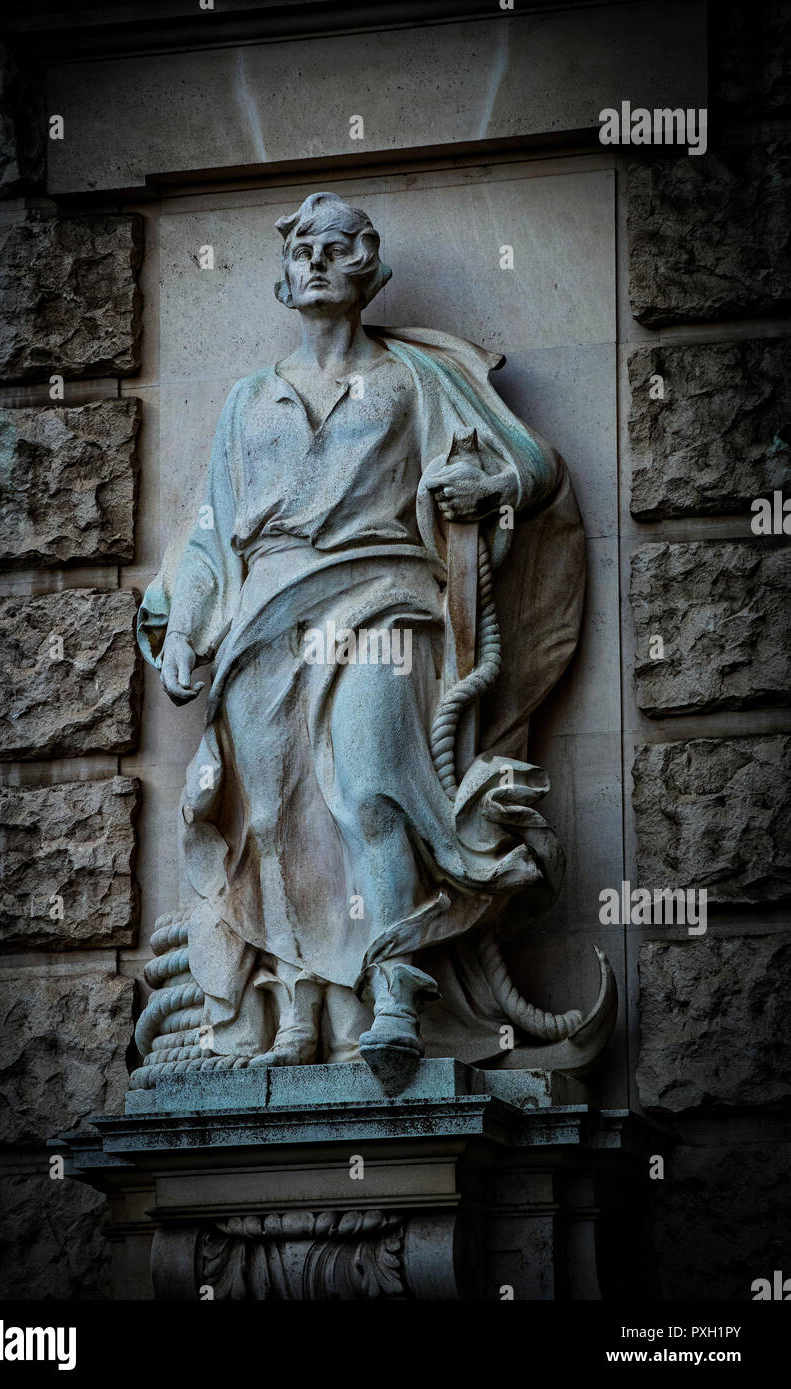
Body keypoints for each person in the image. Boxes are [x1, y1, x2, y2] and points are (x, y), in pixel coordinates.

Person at [137, 191, 585, 1070]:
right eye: (301, 247)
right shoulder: (248, 400)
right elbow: (206, 538)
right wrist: (185, 627)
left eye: (334, 247)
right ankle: (300, 1016)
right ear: (282, 277)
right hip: (262, 624)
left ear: (367, 270)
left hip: (383, 601)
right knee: (267, 818)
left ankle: (394, 998)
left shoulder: (415, 378)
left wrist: (485, 492)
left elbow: (533, 465)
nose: (314, 260)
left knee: (372, 789)